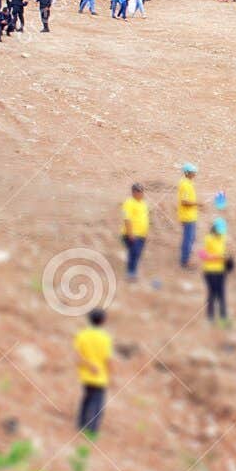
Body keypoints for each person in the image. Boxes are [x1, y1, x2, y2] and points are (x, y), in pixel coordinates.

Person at [75, 309, 113, 437]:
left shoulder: (82, 335)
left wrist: (89, 366)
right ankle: (92, 430)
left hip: (85, 375)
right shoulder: (105, 338)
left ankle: (80, 424)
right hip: (100, 376)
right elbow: (108, 360)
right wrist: (110, 374)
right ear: (103, 321)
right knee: (97, 404)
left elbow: (78, 356)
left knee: (86, 399)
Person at [200, 217, 231, 328]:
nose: (220, 233)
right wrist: (217, 257)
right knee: (212, 293)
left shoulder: (223, 237)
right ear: (214, 229)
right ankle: (211, 316)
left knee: (221, 294)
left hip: (221, 271)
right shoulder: (208, 239)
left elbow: (225, 252)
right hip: (210, 271)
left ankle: (223, 317)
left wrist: (227, 257)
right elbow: (202, 255)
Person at [121, 182, 149, 280]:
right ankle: (131, 272)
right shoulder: (128, 203)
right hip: (132, 234)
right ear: (133, 192)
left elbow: (145, 218)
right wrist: (130, 233)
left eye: (141, 191)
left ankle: (133, 271)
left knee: (137, 253)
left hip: (142, 235)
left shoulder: (144, 204)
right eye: (138, 191)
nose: (140, 193)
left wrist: (146, 233)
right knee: (134, 252)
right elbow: (126, 219)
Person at [176, 164, 199, 268]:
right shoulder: (185, 185)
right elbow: (184, 202)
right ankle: (185, 261)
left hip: (190, 215)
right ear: (187, 173)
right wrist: (197, 204)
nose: (195, 174)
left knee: (191, 238)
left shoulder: (188, 183)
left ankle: (186, 256)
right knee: (188, 239)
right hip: (187, 216)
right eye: (193, 172)